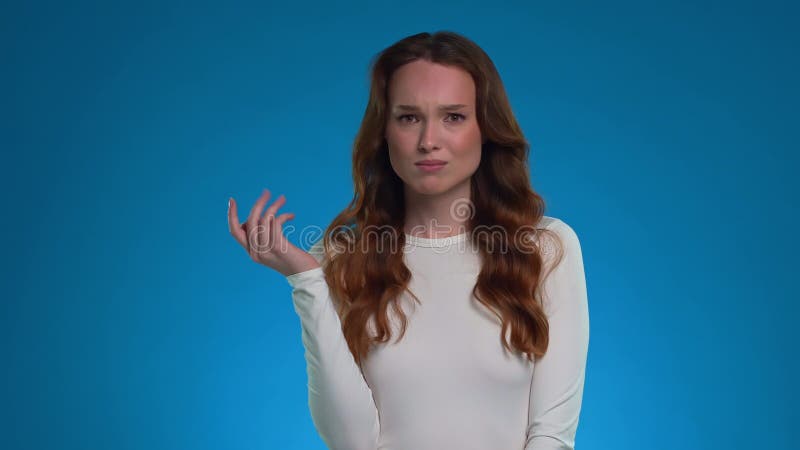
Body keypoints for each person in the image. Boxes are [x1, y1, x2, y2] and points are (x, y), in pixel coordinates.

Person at [228, 30, 590, 450]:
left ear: (485, 129)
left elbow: (551, 435)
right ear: (383, 132)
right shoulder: (342, 258)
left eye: (453, 116)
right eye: (408, 117)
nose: (428, 141)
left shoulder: (546, 249)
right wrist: (307, 279)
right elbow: (351, 442)